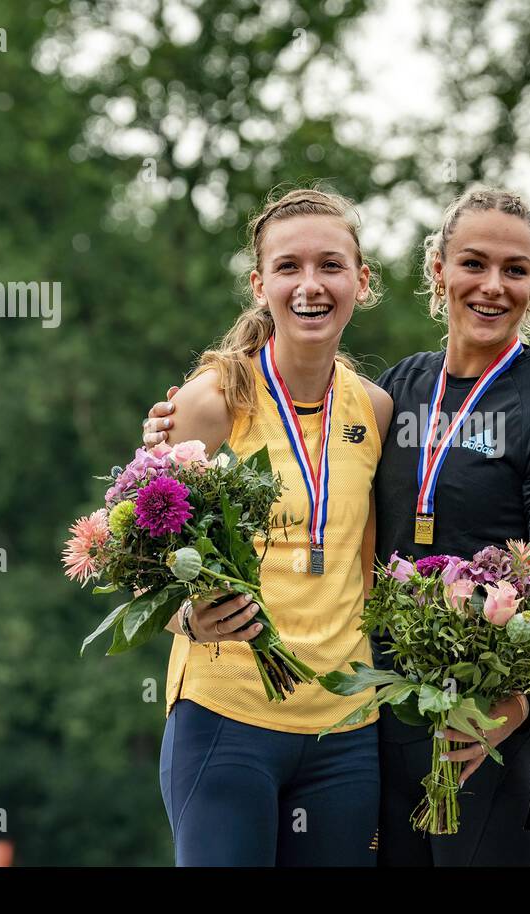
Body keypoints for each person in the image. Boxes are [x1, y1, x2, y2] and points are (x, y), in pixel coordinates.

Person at [146, 186, 530, 866]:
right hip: (377, 717)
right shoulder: (399, 392)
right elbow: (155, 534)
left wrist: (504, 710)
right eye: (473, 264)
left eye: (515, 270)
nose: (491, 286)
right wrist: (182, 605)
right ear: (437, 270)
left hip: (476, 730)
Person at [151, 187, 392, 866]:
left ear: (361, 281)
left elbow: (366, 564)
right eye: (288, 268)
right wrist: (187, 620)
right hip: (226, 722)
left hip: (346, 729)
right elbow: (142, 560)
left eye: (330, 266)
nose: (309, 285)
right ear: (260, 285)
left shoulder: (375, 410)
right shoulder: (212, 402)